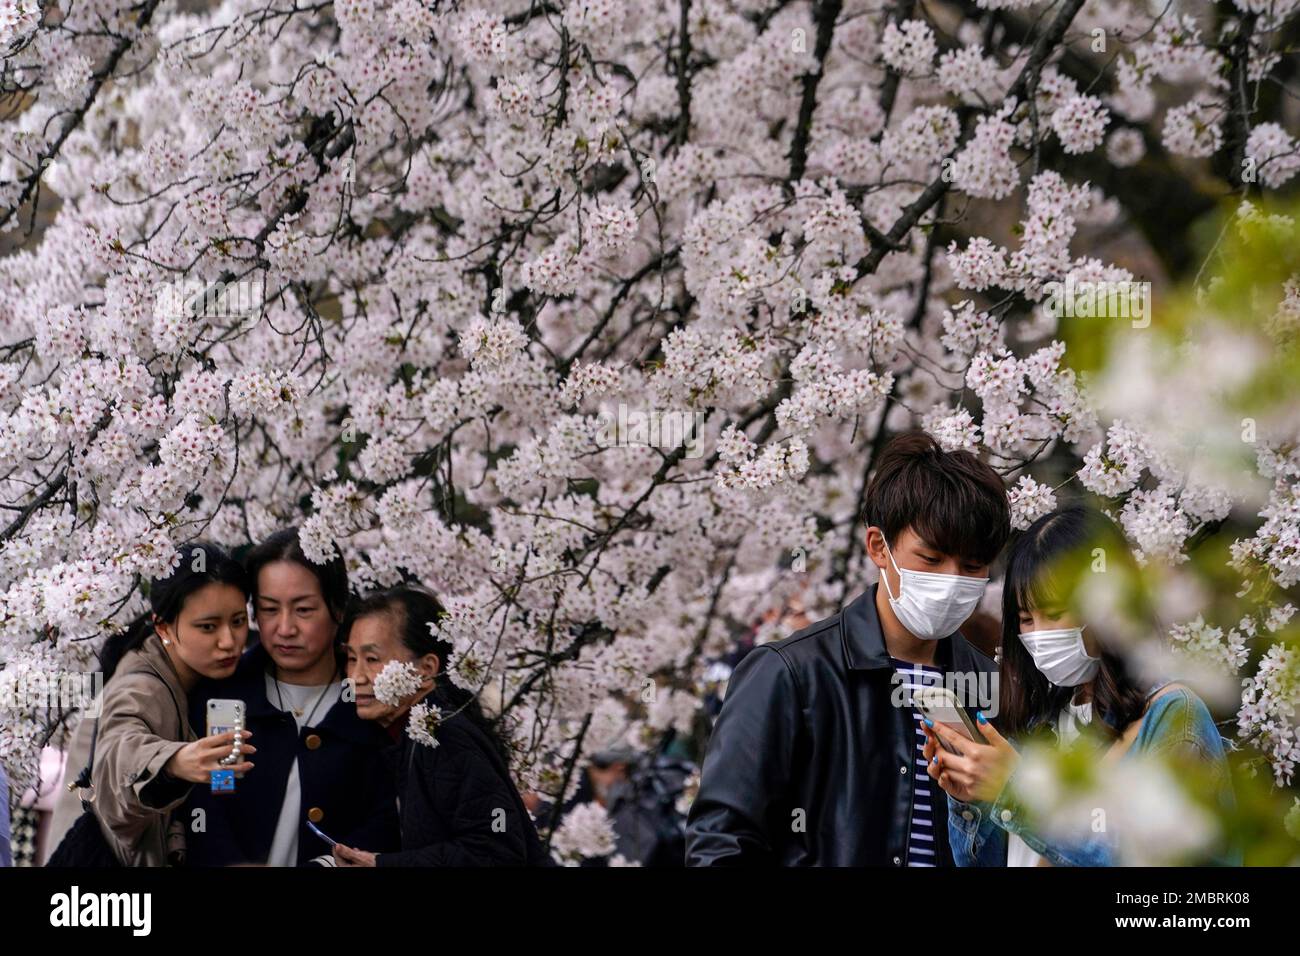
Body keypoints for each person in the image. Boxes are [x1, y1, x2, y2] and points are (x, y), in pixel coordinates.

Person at [686, 431, 1009, 866]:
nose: (951, 581)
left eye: (972, 566)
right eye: (931, 559)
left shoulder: (992, 685)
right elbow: (722, 843)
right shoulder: (792, 673)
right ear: (879, 546)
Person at [924, 504, 1239, 866]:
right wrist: (972, 800)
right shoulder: (1038, 728)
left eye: (1055, 613)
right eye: (1026, 619)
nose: (1039, 635)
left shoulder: (1173, 716)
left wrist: (1019, 793)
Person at [184, 528, 399, 866]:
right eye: (269, 610)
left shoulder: (369, 701)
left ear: (338, 608)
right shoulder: (225, 696)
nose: (285, 629)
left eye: (303, 610)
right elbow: (207, 799)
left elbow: (388, 816)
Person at [49, 543, 256, 866]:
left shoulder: (192, 673)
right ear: (163, 628)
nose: (229, 641)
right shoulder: (141, 687)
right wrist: (172, 762)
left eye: (238, 621)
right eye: (208, 627)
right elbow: (123, 748)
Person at [334, 585, 551, 866]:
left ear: (426, 669)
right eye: (352, 659)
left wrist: (383, 864)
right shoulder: (407, 735)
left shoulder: (442, 734)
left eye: (372, 659)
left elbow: (496, 851)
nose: (356, 677)